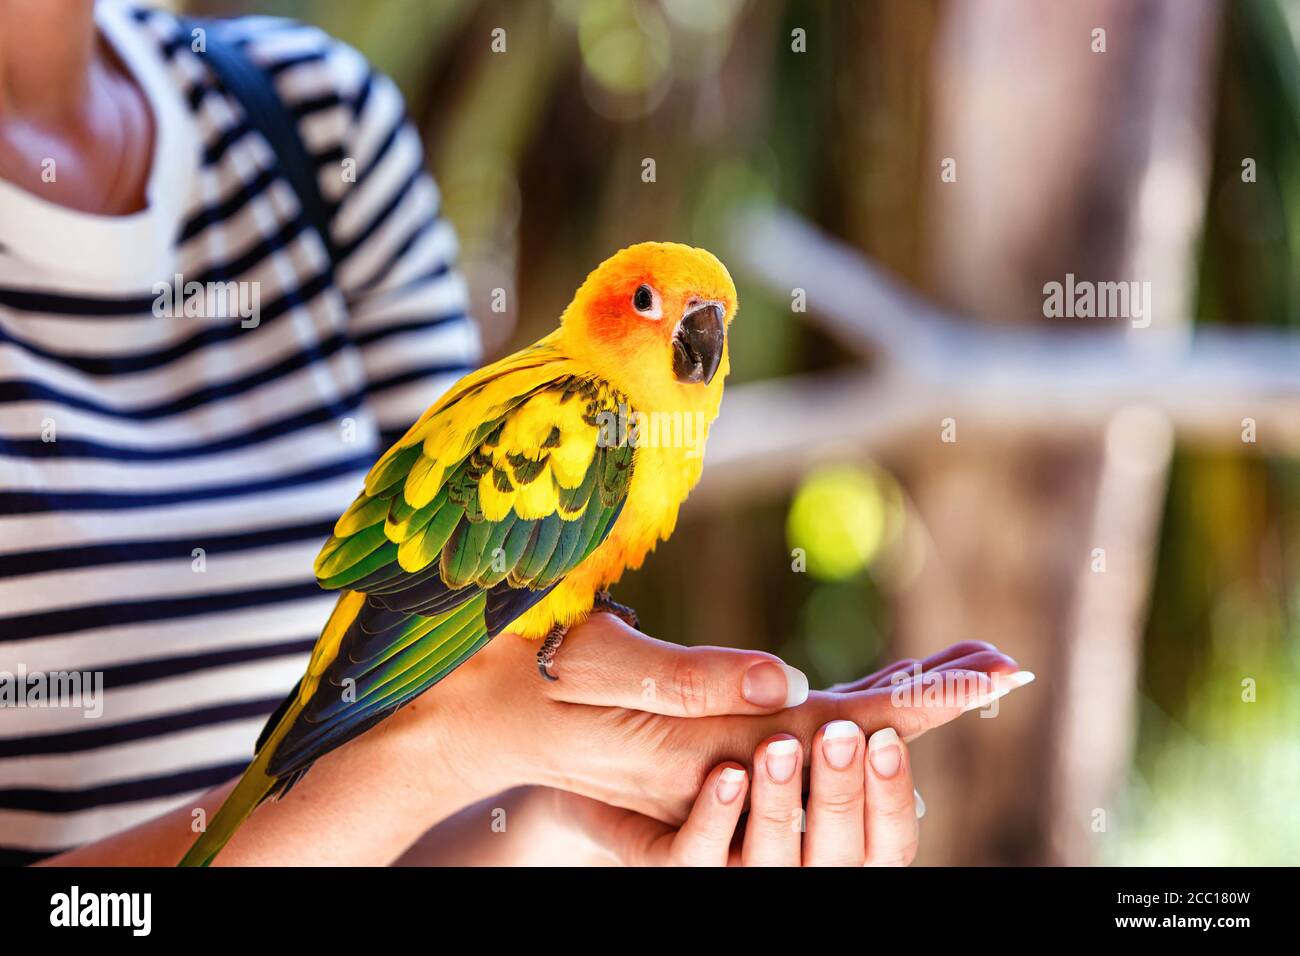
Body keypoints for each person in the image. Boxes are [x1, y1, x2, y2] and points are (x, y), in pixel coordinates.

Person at [0, 0, 1026, 866]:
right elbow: (449, 693)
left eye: (703, 323)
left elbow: (468, 755)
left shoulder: (313, 119)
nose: (685, 334)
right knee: (299, 744)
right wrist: (439, 746)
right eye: (648, 304)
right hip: (408, 605)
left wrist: (590, 793)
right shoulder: (589, 422)